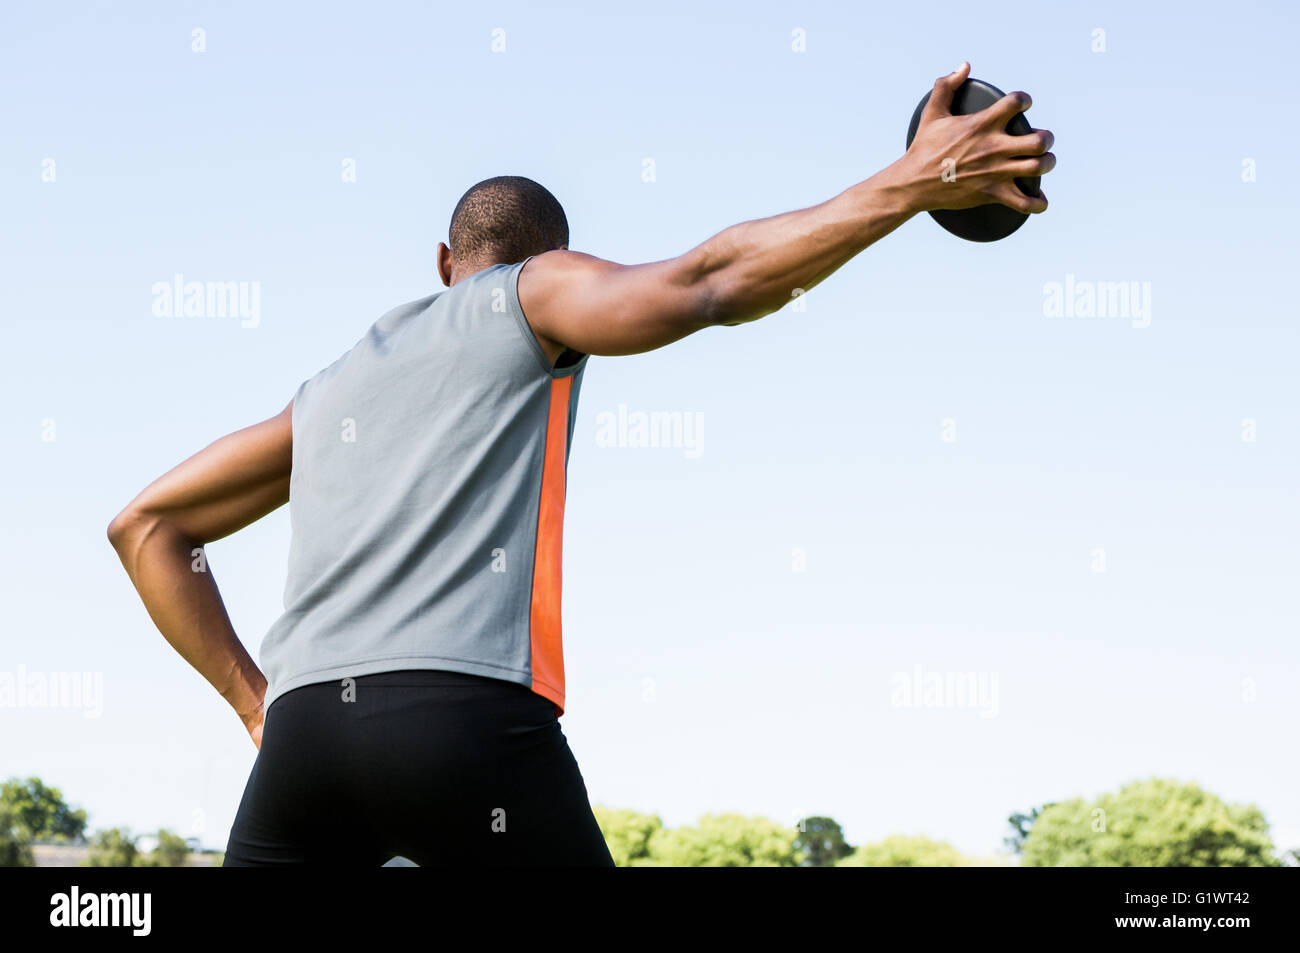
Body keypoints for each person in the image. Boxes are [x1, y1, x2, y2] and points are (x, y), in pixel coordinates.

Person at [106, 62, 1054, 866]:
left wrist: (252, 703)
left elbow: (144, 525)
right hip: (461, 722)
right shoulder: (533, 293)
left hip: (305, 744)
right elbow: (709, 284)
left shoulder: (325, 395)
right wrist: (911, 181)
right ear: (551, 260)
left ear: (443, 260)